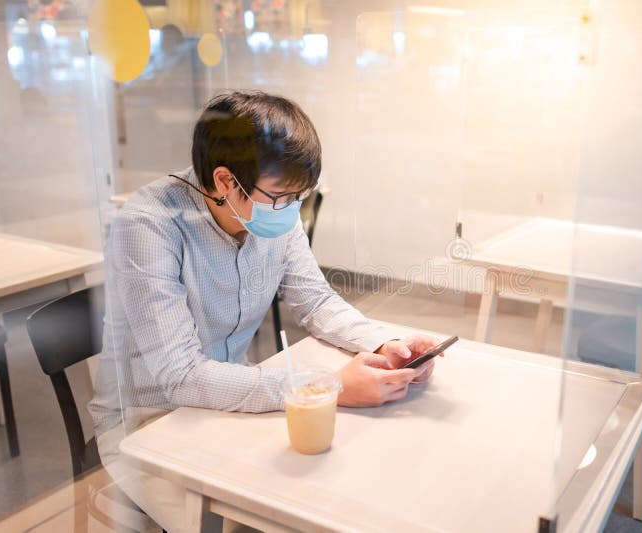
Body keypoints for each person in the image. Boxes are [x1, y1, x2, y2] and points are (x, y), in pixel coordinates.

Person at [88, 91, 442, 531]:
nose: (291, 209)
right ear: (225, 181)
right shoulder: (149, 226)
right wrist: (329, 386)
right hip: (149, 425)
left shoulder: (274, 211)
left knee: (331, 491)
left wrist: (387, 343)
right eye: (280, 196)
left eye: (300, 196)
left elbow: (315, 300)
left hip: (226, 403)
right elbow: (180, 377)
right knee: (256, 520)